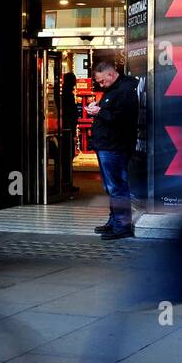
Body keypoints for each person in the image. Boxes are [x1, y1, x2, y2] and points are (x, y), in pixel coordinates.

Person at [87, 59, 139, 239]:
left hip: (114, 146)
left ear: (110, 74)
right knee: (112, 187)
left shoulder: (124, 90)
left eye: (102, 81)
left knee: (116, 186)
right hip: (108, 145)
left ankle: (121, 226)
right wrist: (98, 108)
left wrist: (99, 112)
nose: (101, 84)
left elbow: (123, 119)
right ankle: (115, 221)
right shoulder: (114, 89)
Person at [60, 71, 79, 193]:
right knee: (68, 155)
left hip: (66, 128)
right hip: (67, 129)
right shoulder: (68, 94)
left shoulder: (64, 93)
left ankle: (65, 182)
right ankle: (66, 182)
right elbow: (71, 113)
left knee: (67, 155)